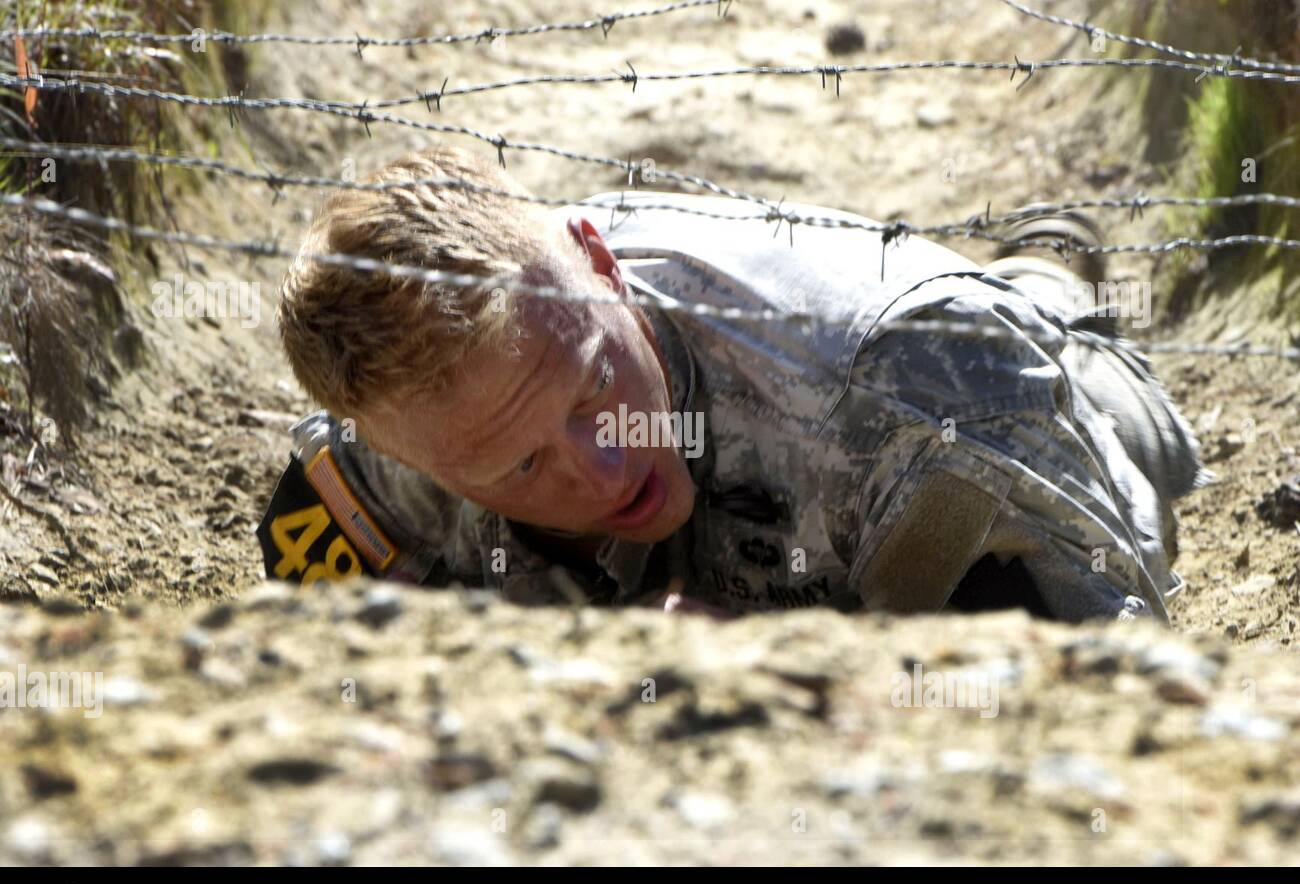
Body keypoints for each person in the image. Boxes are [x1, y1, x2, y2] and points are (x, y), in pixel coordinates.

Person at [256, 146, 1206, 621]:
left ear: (599, 260)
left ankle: (1048, 274)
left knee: (1110, 410)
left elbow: (1107, 695)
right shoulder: (389, 446)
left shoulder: (926, 401)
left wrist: (776, 689)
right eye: (520, 465)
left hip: (972, 362)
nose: (604, 467)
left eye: (592, 390)